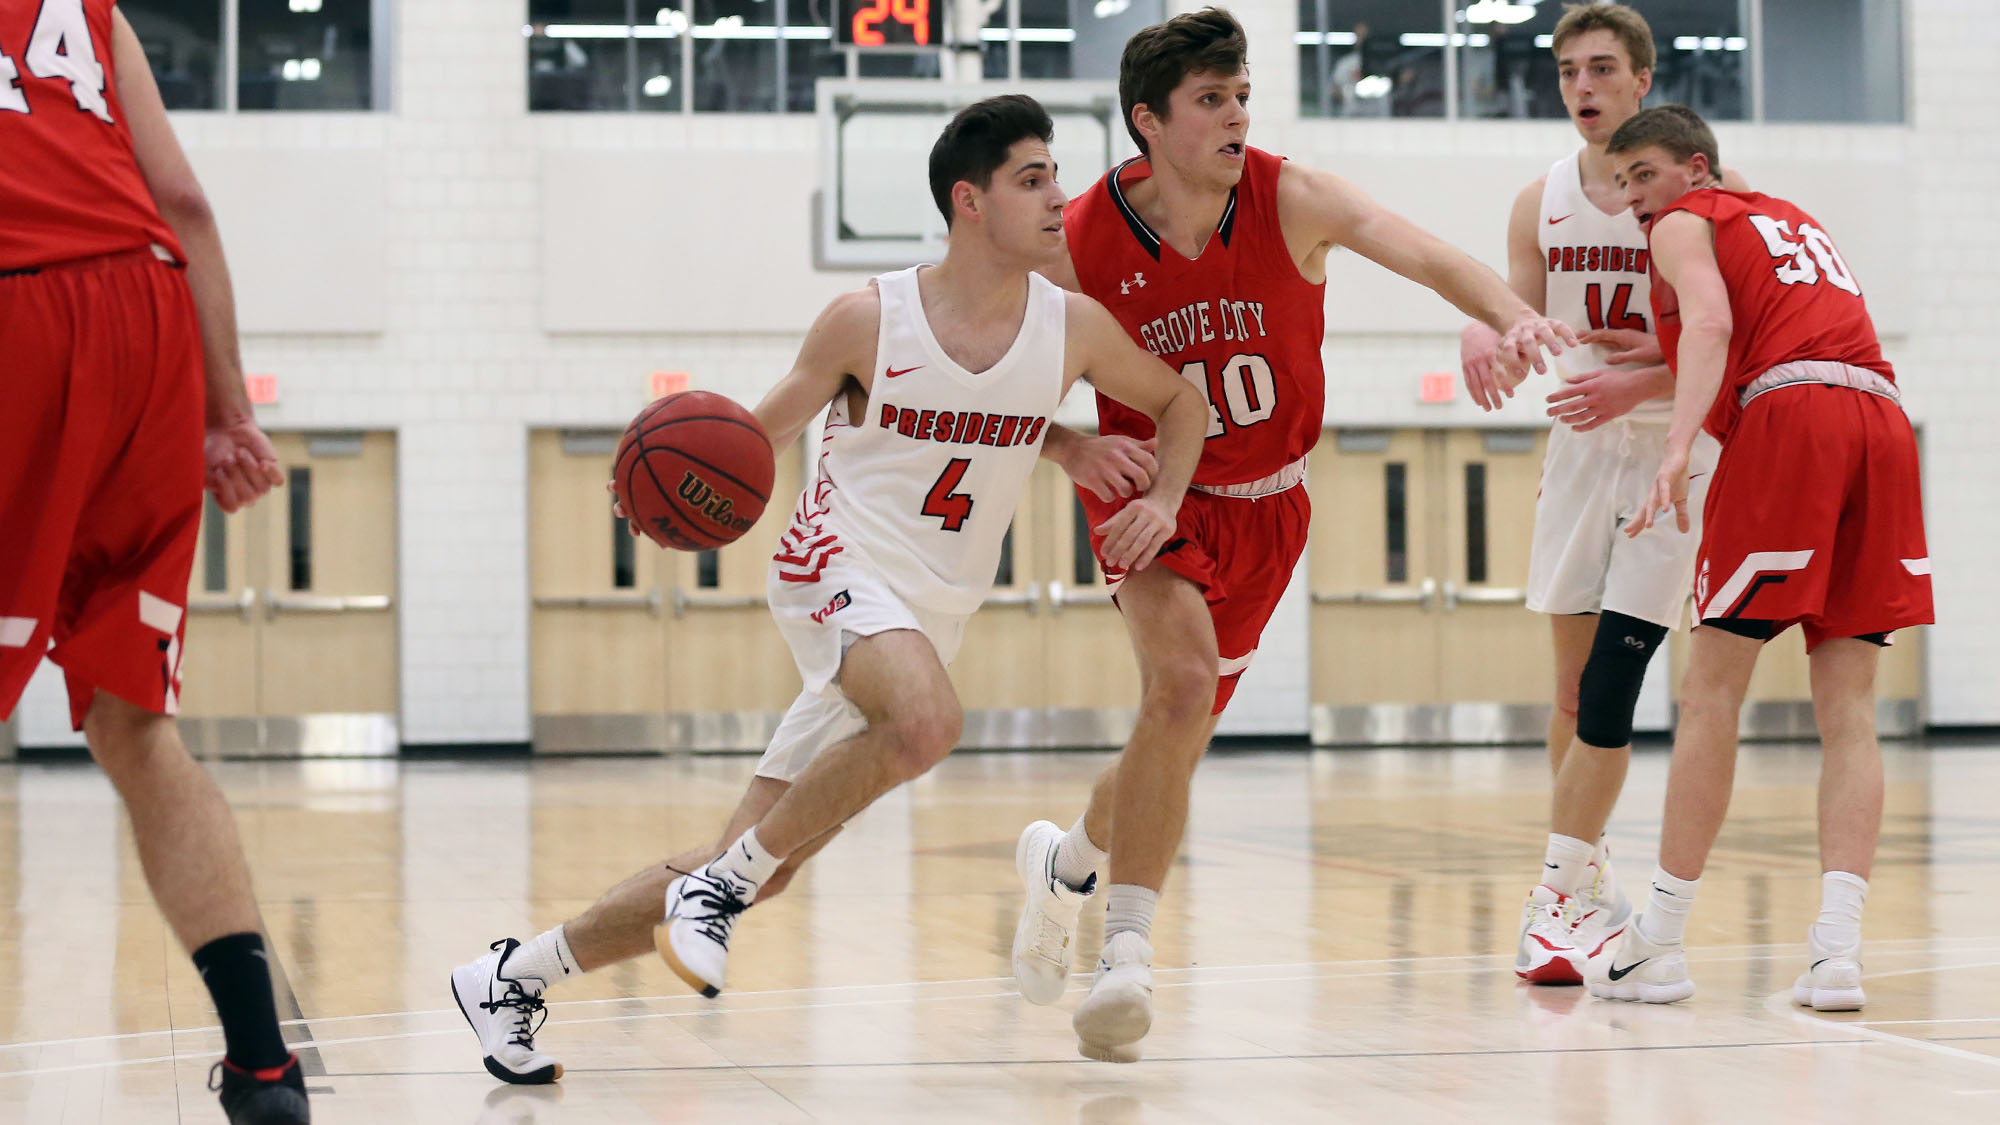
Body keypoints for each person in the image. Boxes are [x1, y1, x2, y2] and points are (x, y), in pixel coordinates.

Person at [450, 94, 1210, 1084]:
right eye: (1032, 179)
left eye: (1056, 175)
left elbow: (1178, 401)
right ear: (967, 200)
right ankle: (717, 895)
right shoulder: (868, 317)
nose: (1055, 196)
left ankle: (514, 974)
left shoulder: (1070, 330)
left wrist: (1142, 483)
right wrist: (644, 478)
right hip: (832, 562)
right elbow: (752, 432)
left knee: (762, 856)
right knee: (927, 725)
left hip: (928, 612)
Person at [1014, 7, 1576, 1062]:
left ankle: (1071, 864)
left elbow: (1421, 251)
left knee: (1169, 737)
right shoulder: (1078, 239)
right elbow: (990, 376)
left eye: (1241, 99)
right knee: (1176, 693)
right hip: (1149, 493)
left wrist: (1510, 313)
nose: (1235, 118)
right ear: (1148, 119)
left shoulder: (1290, 195)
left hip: (1270, 500)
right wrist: (1067, 452)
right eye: (1210, 102)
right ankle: (1124, 957)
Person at [0, 3, 300, 1122]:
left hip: (13, 298)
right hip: (146, 315)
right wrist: (227, 411)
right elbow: (187, 205)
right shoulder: (83, 6)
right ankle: (264, 1066)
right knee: (135, 724)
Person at [1583, 106, 1931, 1010]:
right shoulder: (1790, 218)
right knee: (1849, 704)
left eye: (1645, 175)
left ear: (1695, 169)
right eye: (1622, 184)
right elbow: (1754, 325)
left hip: (1793, 424)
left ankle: (1658, 939)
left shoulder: (1685, 222)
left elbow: (1708, 327)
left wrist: (1675, 446)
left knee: (1710, 690)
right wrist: (1659, 363)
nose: (1633, 201)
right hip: (1882, 419)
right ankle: (1837, 953)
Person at [1459, 2, 1748, 987]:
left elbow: (1735, 339)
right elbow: (1520, 317)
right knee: (1572, 690)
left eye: (1598, 69)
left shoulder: (1701, 189)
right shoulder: (1535, 199)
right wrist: (1482, 335)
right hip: (1580, 451)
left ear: (1639, 79)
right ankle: (1581, 874)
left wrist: (1645, 383)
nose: (1580, 87)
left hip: (1674, 446)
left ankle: (1558, 898)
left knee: (1619, 682)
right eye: (1565, 72)